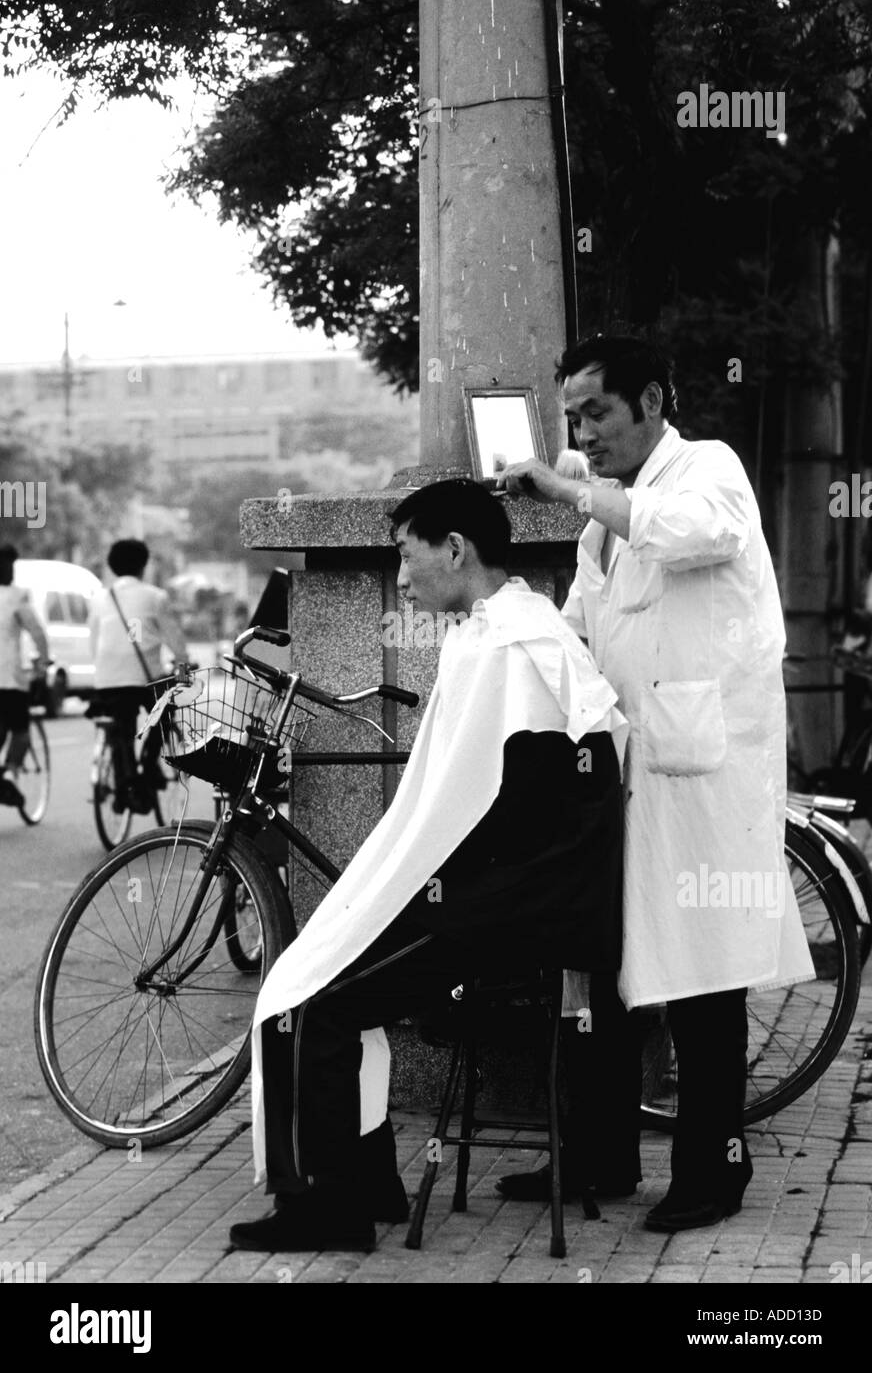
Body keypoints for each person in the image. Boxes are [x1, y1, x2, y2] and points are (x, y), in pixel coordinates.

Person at [229, 479, 629, 1253]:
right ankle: (367, 1186)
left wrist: (427, 896)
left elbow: (514, 812)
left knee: (310, 1001)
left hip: (516, 906)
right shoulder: (497, 630)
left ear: (456, 549)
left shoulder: (517, 644)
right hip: (501, 890)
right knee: (317, 979)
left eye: (408, 560)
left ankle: (328, 1210)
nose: (402, 580)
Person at [496, 334, 814, 1233]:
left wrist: (563, 489)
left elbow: (697, 536)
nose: (584, 434)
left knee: (704, 981)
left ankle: (716, 1171)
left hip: (704, 776)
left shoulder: (706, 471)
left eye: (597, 413)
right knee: (608, 961)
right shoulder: (609, 517)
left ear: (654, 402)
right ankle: (601, 1152)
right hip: (630, 771)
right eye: (571, 420)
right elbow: (577, 629)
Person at [89, 538, 189, 814]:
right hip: (144, 679)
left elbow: (94, 642)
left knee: (121, 727)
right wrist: (183, 664)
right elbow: (175, 639)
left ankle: (125, 779)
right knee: (165, 712)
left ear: (112, 566)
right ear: (143, 565)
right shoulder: (155, 596)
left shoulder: (99, 599)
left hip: (106, 680)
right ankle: (147, 765)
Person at [0, 544, 50, 807]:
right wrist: (43, 662)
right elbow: (37, 632)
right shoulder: (16, 596)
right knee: (21, 733)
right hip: (8, 679)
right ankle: (8, 773)